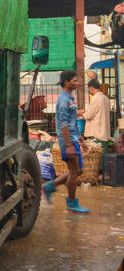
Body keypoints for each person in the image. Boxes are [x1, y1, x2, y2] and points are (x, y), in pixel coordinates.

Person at [43, 69, 89, 213]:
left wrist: (81, 141)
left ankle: (50, 186)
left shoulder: (70, 98)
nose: (77, 83)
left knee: (78, 170)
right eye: (74, 81)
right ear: (66, 82)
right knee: (74, 172)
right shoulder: (63, 100)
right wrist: (68, 145)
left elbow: (72, 122)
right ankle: (71, 204)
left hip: (74, 139)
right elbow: (63, 124)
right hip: (68, 140)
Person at [84, 77, 112, 143]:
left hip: (96, 134)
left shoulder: (96, 98)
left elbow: (88, 115)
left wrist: (82, 113)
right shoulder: (106, 98)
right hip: (105, 133)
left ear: (91, 88)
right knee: (104, 152)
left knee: (97, 152)